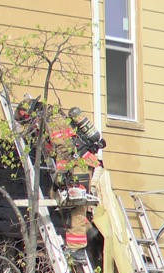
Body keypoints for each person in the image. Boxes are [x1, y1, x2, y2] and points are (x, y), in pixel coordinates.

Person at [14, 97, 105, 262]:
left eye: (28, 121)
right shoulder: (47, 122)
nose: (30, 125)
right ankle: (91, 234)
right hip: (73, 166)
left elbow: (65, 149)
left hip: (78, 165)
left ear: (34, 114)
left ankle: (77, 250)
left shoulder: (54, 121)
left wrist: (62, 172)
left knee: (75, 205)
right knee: (57, 197)